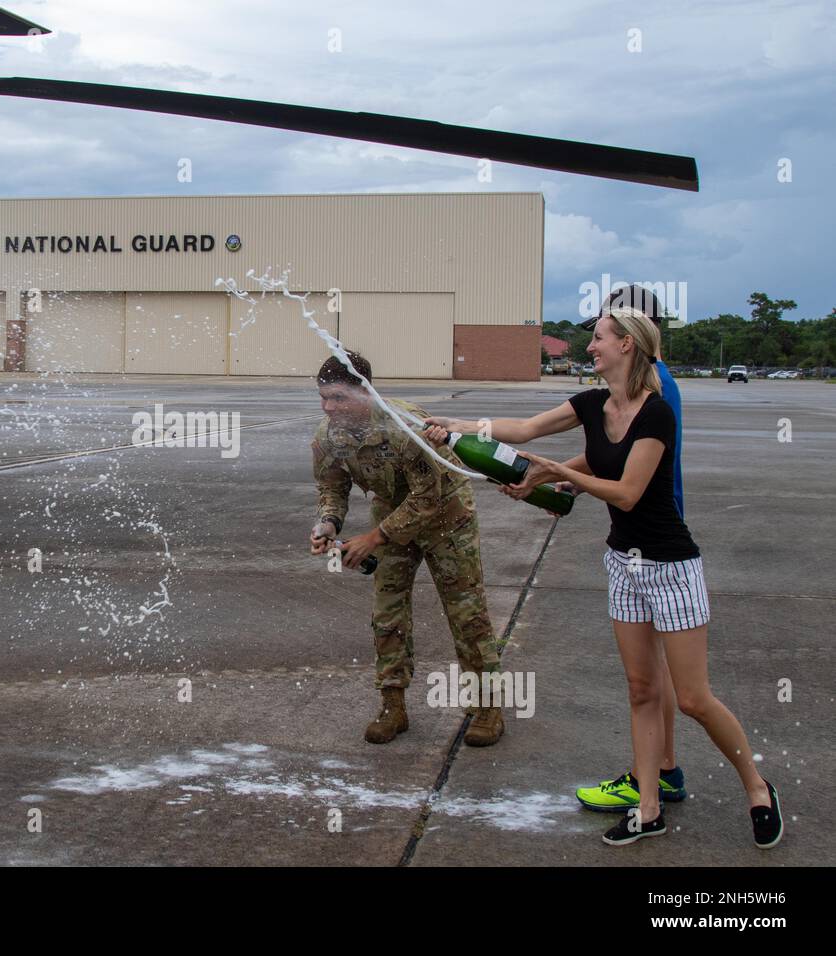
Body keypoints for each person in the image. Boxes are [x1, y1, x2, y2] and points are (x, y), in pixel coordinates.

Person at [423, 306, 782, 848]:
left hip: (671, 565)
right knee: (641, 689)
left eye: (597, 339)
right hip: (623, 562)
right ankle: (648, 806)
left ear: (627, 346)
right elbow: (525, 429)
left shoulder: (656, 413)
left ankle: (757, 787)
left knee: (691, 697)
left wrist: (556, 472)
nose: (589, 347)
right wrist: (459, 427)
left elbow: (628, 493)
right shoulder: (592, 404)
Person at [310, 351, 504, 747]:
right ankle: (392, 705)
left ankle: (486, 708)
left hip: (447, 518)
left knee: (466, 613)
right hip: (391, 516)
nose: (329, 407)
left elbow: (428, 498)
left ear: (365, 391)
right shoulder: (327, 437)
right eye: (323, 397)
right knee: (387, 613)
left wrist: (373, 539)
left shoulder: (406, 425)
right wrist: (328, 524)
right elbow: (332, 488)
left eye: (339, 398)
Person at [574, 286, 688, 813]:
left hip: (655, 540)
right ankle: (660, 773)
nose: (594, 335)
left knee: (662, 680)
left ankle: (662, 773)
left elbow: (625, 472)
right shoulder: (651, 379)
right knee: (652, 673)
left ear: (631, 333)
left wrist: (555, 473)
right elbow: (605, 450)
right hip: (646, 534)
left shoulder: (651, 387)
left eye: (603, 326)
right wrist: (559, 474)